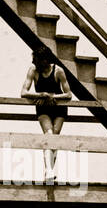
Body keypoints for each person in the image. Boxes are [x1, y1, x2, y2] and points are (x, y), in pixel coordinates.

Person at [22, 46, 73, 181]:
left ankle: (49, 170)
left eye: (37, 60)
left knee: (55, 137)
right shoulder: (33, 70)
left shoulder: (58, 71)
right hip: (43, 108)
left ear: (45, 60)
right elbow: (23, 92)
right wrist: (41, 95)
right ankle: (49, 171)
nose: (34, 63)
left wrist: (53, 97)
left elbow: (68, 94)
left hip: (58, 108)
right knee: (49, 135)